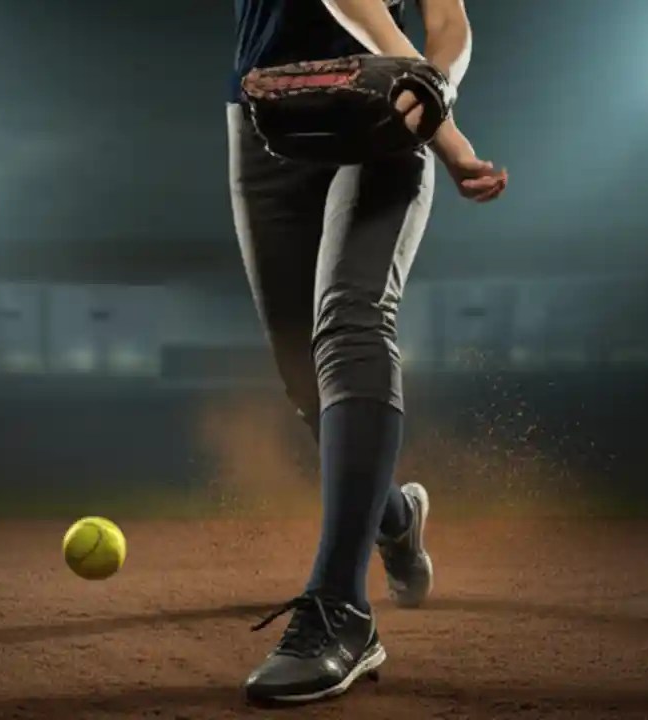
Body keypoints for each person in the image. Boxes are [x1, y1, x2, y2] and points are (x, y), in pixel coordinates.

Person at [227, 0, 508, 705]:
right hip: (265, 114)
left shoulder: (406, 86)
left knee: (351, 321)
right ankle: (395, 518)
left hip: (380, 111)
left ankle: (339, 607)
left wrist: (431, 84)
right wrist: (439, 116)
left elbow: (448, 24)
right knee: (305, 386)